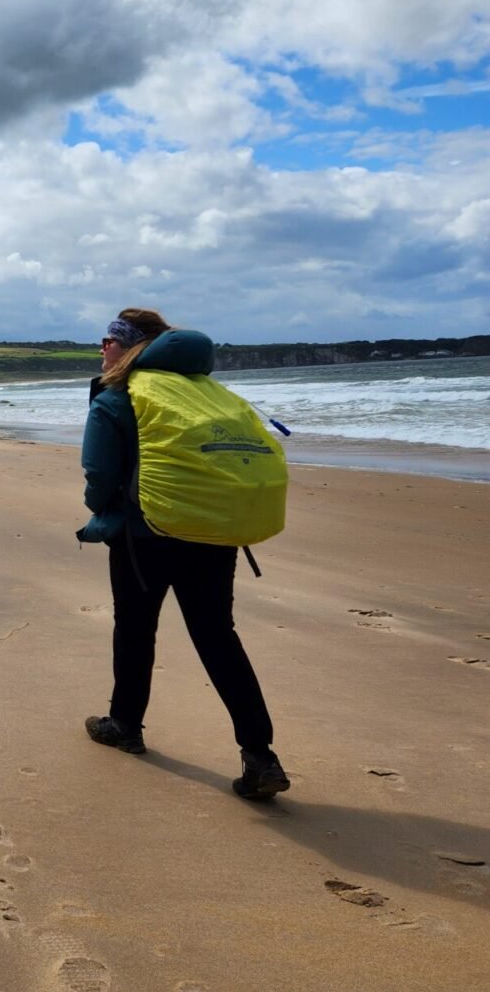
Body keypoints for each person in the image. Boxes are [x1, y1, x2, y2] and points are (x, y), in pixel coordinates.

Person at [76, 309, 290, 801]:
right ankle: (260, 754)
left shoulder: (117, 397)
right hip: (213, 532)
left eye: (108, 340)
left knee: (135, 628)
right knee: (218, 637)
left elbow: (98, 473)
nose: (101, 349)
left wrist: (103, 511)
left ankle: (125, 726)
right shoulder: (207, 394)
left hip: (142, 535)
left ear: (131, 348)